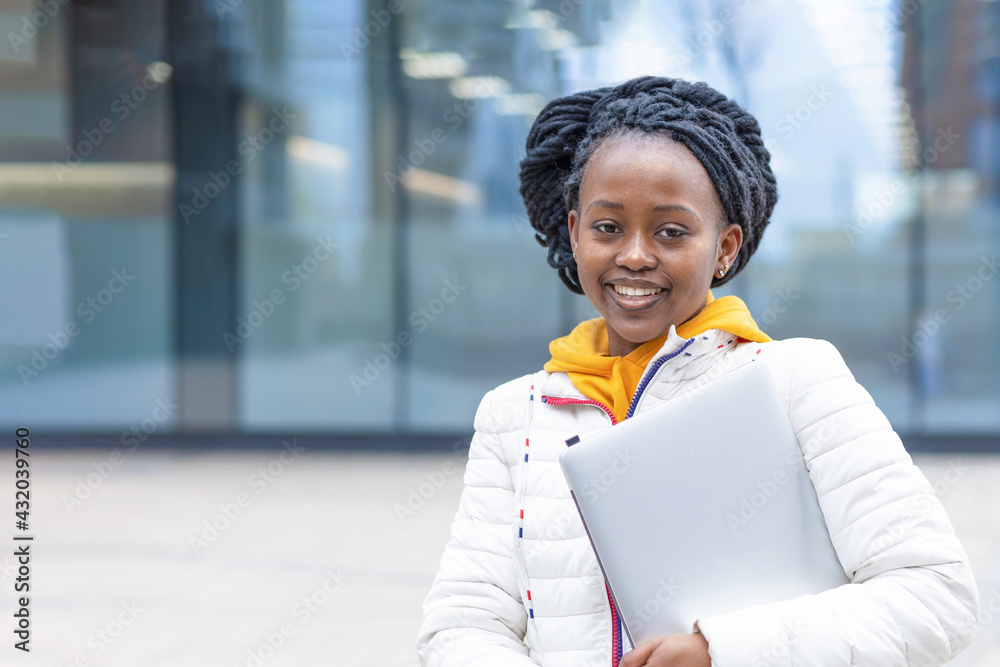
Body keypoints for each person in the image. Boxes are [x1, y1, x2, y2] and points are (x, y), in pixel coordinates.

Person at [415, 75, 979, 667]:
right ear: (576, 232)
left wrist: (723, 652)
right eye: (608, 227)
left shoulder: (795, 383)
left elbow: (935, 595)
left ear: (726, 247)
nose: (634, 254)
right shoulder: (514, 417)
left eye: (671, 231)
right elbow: (464, 620)